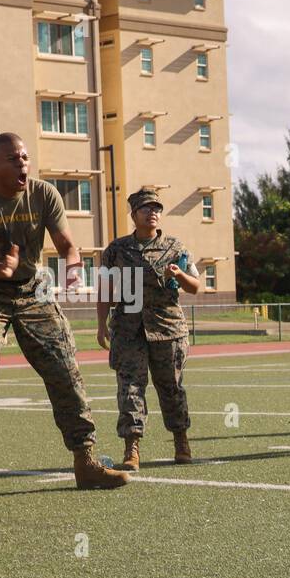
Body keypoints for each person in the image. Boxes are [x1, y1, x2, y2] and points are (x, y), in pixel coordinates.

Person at [0, 132, 128, 505]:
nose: (22, 164)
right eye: (12, 158)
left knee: (65, 370)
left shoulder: (44, 194)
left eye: (25, 157)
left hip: (33, 290)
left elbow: (67, 246)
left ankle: (86, 461)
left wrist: (74, 267)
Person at [97, 189, 200, 470]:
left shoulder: (175, 247)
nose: (152, 212)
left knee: (171, 388)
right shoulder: (116, 250)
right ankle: (132, 447)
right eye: (145, 208)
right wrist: (100, 325)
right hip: (128, 330)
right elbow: (105, 289)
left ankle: (181, 441)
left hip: (168, 329)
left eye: (156, 208)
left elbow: (195, 286)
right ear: (133, 215)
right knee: (129, 389)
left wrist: (179, 275)